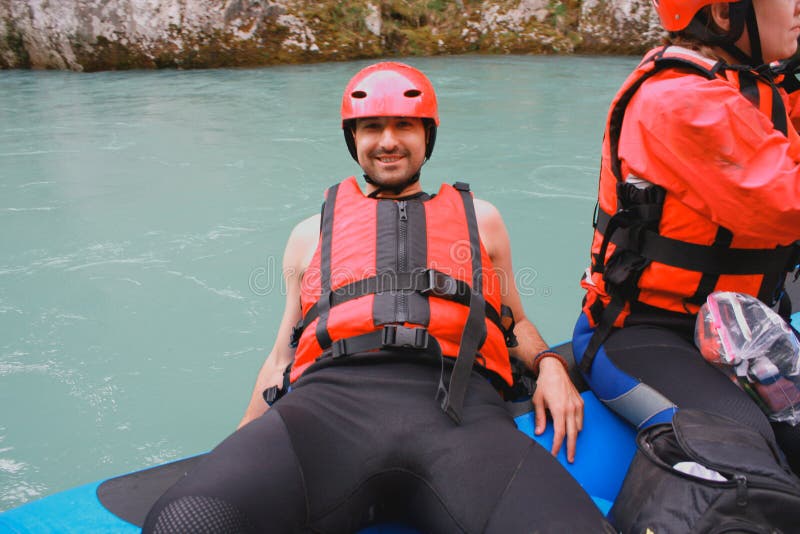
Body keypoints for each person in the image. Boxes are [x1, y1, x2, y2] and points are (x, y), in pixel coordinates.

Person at [144, 62, 611, 533]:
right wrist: (240, 444)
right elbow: (282, 355)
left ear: (427, 134)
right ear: (353, 138)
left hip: (462, 411)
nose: (388, 140)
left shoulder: (482, 219)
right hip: (325, 408)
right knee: (184, 523)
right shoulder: (310, 234)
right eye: (371, 127)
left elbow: (514, 324)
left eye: (404, 125)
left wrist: (551, 365)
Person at [572, 0, 800, 479]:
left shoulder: (755, 84)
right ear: (724, 13)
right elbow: (788, 205)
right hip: (647, 332)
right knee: (750, 462)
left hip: (739, 328)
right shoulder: (681, 102)